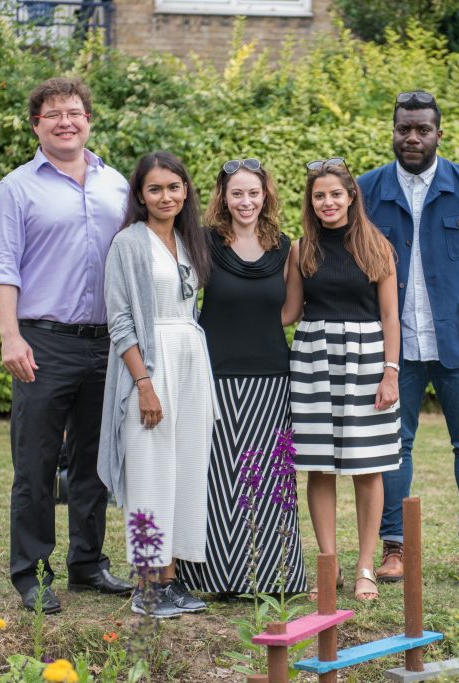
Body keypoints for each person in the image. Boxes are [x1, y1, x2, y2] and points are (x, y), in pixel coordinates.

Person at [357, 90, 459, 582]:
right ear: (392, 130)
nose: (412, 137)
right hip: (395, 350)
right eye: (403, 128)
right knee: (391, 445)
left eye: (422, 129)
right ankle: (394, 549)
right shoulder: (367, 190)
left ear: (438, 134)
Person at [0, 76, 133, 614]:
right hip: (43, 342)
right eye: (53, 114)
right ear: (36, 125)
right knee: (36, 460)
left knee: (96, 460)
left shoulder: (118, 184)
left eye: (74, 111)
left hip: (108, 342)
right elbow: (2, 266)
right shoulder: (16, 188)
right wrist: (10, 336)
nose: (65, 121)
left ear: (89, 119)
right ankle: (31, 571)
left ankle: (87, 564)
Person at [177, 158, 307, 596]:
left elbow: (290, 311)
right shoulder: (203, 243)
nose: (246, 201)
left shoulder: (284, 246)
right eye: (237, 193)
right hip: (213, 374)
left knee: (271, 477)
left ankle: (275, 576)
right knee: (213, 477)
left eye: (253, 192)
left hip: (271, 377)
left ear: (265, 195)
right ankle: (210, 577)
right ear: (223, 198)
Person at [98, 151, 216, 618]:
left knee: (185, 469)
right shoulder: (129, 243)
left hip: (190, 360)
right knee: (150, 470)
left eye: (173, 187)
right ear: (140, 196)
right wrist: (143, 383)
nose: (165, 196)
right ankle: (146, 585)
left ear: (185, 191)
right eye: (154, 189)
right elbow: (120, 320)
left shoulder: (189, 242)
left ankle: (169, 581)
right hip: (151, 363)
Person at [283, 158, 401, 601]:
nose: (327, 202)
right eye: (319, 196)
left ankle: (366, 567)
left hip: (368, 359)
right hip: (313, 359)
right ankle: (328, 567)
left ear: (352, 196)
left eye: (335, 193)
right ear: (310, 202)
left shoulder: (377, 246)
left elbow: (390, 315)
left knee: (367, 468)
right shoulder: (301, 249)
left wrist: (390, 372)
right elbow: (291, 312)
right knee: (319, 467)